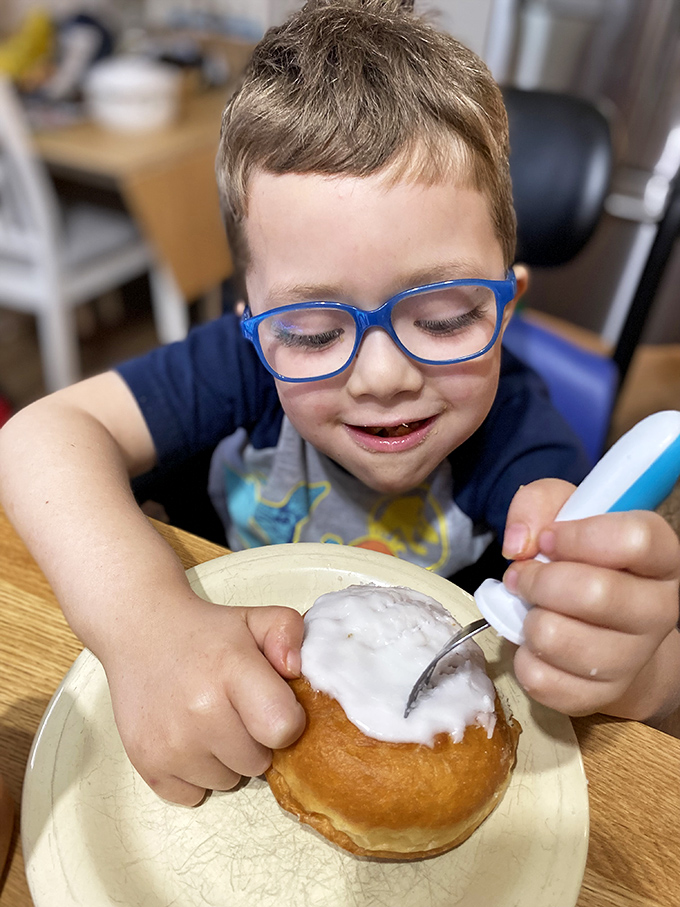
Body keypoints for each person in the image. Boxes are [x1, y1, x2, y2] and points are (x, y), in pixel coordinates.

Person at [0, 0, 679, 808]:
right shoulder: (240, 366)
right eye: (315, 331)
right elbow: (38, 437)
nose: (383, 376)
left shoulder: (523, 441)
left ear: (507, 308)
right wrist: (144, 626)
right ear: (254, 324)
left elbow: (638, 685)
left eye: (444, 317)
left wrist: (638, 671)